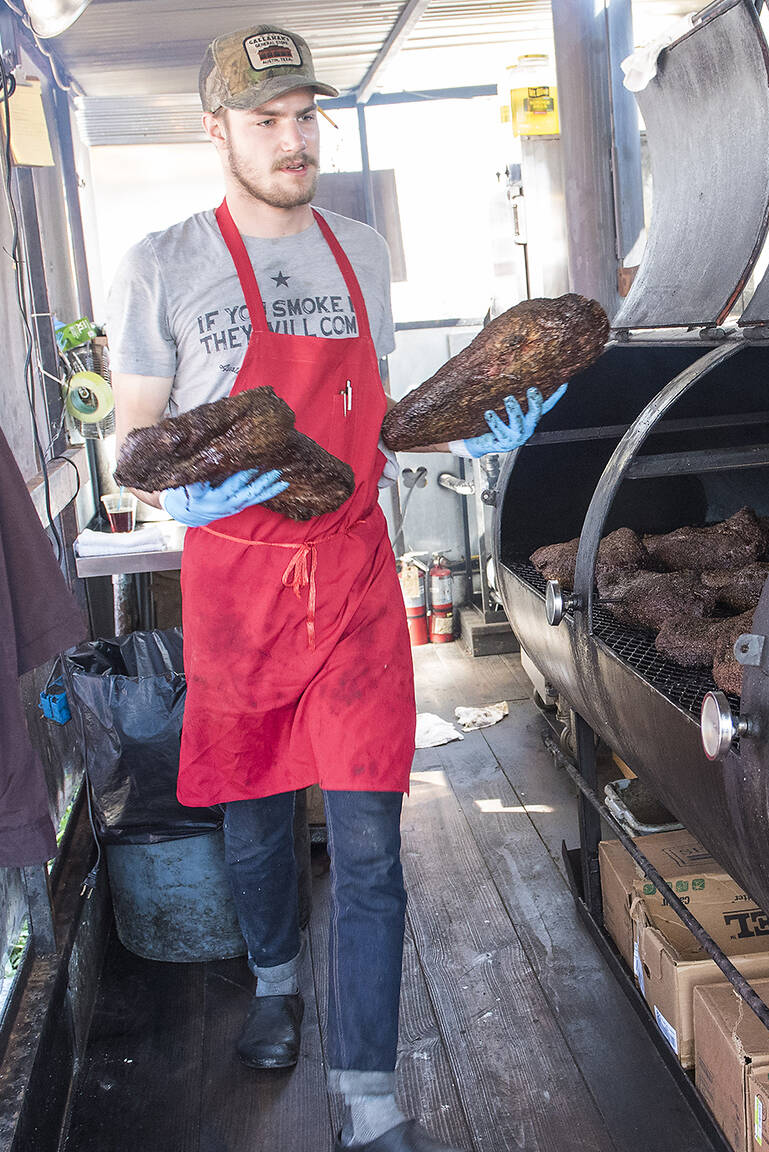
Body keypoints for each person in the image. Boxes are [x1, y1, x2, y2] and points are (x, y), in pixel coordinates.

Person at [107, 24, 560, 1152]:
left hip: (355, 580)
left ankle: (370, 1095)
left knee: (368, 845)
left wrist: (468, 444)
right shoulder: (161, 261)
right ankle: (272, 983)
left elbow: (373, 416)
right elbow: (138, 436)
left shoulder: (358, 246)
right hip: (237, 587)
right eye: (267, 120)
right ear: (218, 131)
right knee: (257, 829)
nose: (295, 138)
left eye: (307, 114)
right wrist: (177, 504)